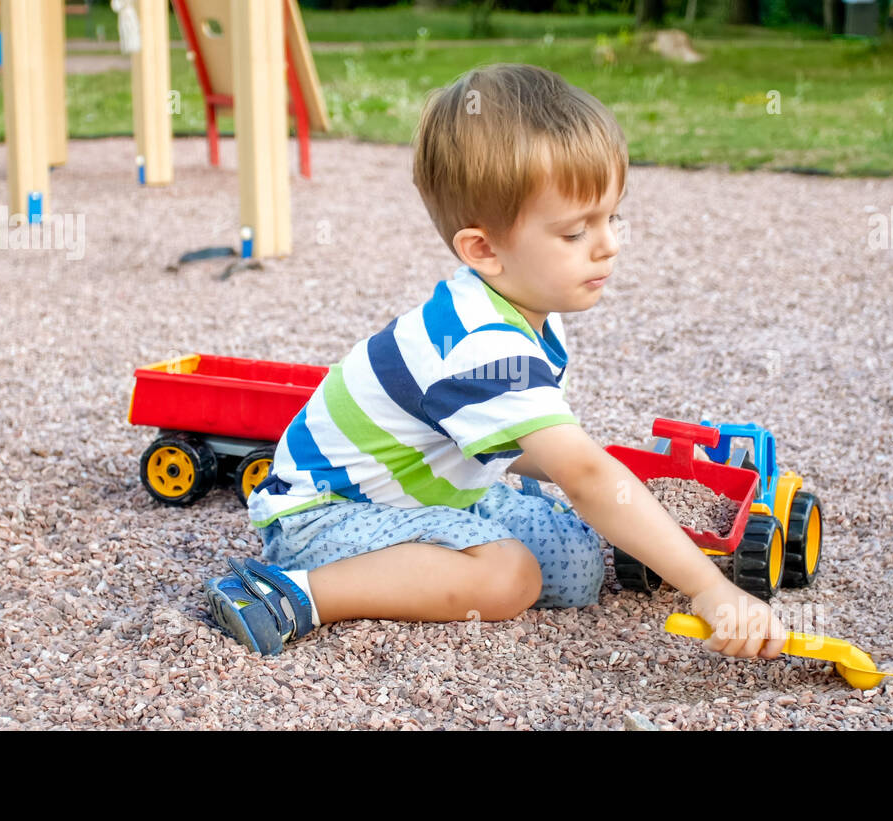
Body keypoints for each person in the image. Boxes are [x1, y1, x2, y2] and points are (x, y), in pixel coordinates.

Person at [204, 63, 787, 662]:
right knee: (511, 578)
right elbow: (584, 476)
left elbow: (524, 445)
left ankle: (444, 552)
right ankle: (292, 596)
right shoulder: (479, 346)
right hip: (329, 514)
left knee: (581, 569)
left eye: (611, 217)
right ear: (483, 249)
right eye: (574, 232)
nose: (609, 243)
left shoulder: (529, 305)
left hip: (427, 493)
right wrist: (709, 587)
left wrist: (585, 472)